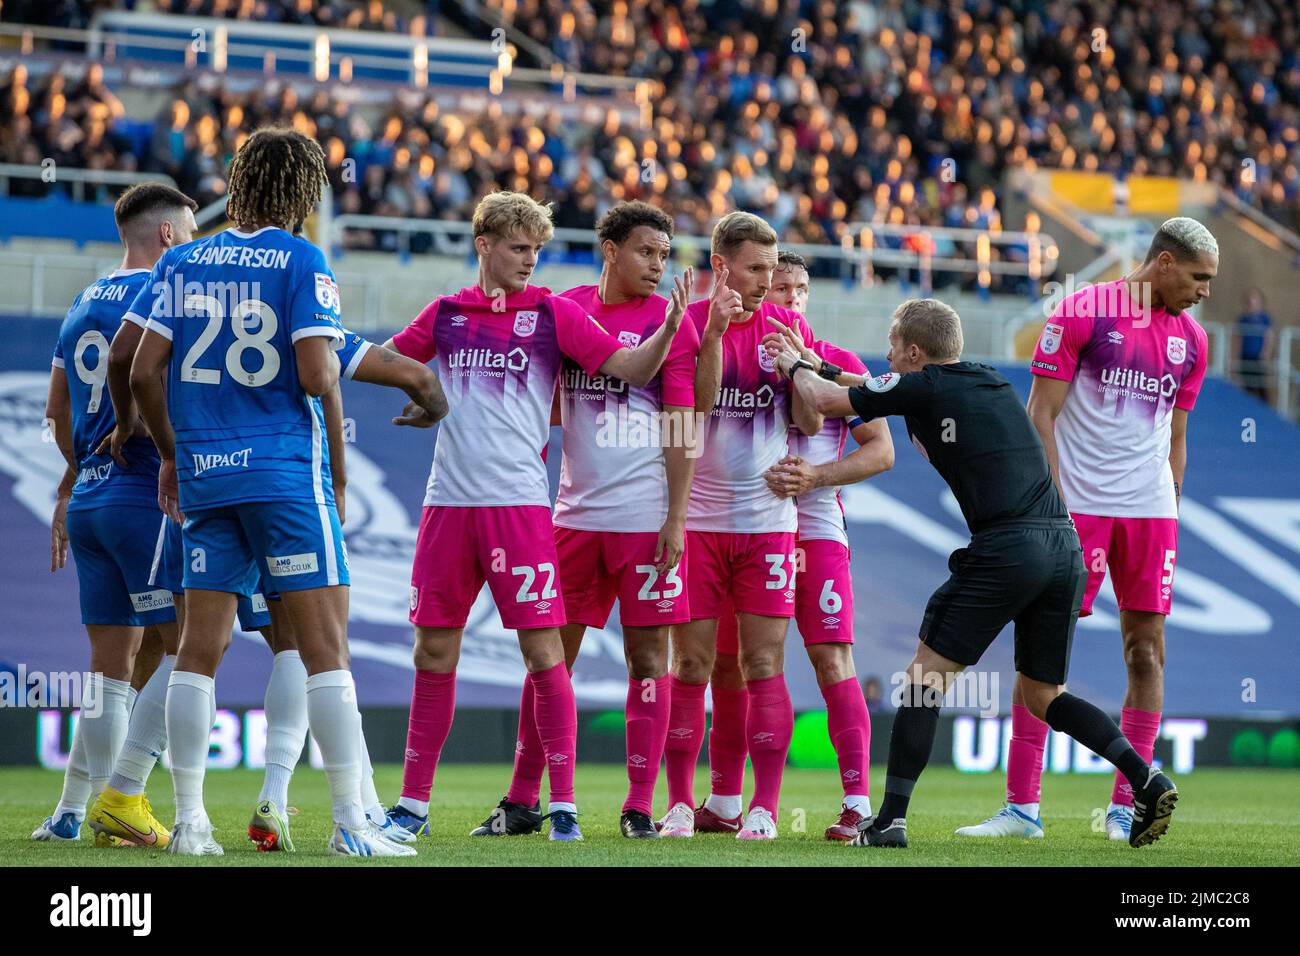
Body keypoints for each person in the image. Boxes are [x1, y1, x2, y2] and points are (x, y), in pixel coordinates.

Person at [128, 127, 444, 857]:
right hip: (282, 477)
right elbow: (314, 371)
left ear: (237, 182)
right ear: (304, 190)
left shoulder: (183, 259)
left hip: (206, 477)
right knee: (324, 648)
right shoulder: (302, 259)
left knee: (196, 652)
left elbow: (144, 372)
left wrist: (174, 456)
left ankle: (191, 825)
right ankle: (352, 826)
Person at [765, 298, 1179, 850]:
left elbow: (824, 399)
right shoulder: (988, 381)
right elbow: (868, 386)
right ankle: (1144, 775)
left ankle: (889, 821)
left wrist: (793, 363)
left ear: (915, 352)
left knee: (924, 678)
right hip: (1064, 548)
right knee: (1043, 694)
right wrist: (820, 363)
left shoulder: (924, 385)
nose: (886, 360)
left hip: (1008, 546)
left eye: (893, 350)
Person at [381, 190, 681, 842]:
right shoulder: (448, 314)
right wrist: (423, 392)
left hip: (520, 509)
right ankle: (412, 806)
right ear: (483, 244)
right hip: (446, 506)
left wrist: (670, 328)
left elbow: (629, 369)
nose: (528, 261)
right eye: (518, 248)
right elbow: (391, 359)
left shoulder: (551, 314)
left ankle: (564, 808)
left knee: (546, 654)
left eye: (537, 251)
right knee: (433, 651)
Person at [958, 216, 1213, 842]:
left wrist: (1172, 503)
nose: (1205, 291)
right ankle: (1022, 808)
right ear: (1163, 264)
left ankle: (1128, 806)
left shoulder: (1193, 342)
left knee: (1145, 650)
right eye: (1199, 278)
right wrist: (1051, 501)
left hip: (1150, 512)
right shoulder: (1081, 311)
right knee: (1044, 652)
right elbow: (1038, 413)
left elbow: (1177, 436)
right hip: (1077, 508)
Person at [700, 251, 895, 840]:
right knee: (730, 667)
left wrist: (817, 477)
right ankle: (727, 800)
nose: (789, 297)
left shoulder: (835, 364)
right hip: (748, 529)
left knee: (831, 658)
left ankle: (858, 801)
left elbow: (881, 450)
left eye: (799, 288)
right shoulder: (733, 352)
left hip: (813, 532)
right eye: (778, 286)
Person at [31, 182, 197, 846]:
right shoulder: (167, 295)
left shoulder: (81, 302)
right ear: (165, 236)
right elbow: (151, 378)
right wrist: (158, 451)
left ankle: (75, 810)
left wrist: (76, 479)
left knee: (111, 665)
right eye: (187, 231)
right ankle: (137, 801)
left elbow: (56, 411)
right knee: (190, 647)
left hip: (94, 497)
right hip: (146, 496)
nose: (190, 243)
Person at [658, 212, 823, 841]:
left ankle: (763, 807)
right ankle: (679, 804)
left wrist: (797, 367)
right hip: (697, 525)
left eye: (772, 267)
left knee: (762, 664)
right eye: (756, 268)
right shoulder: (688, 326)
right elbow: (692, 415)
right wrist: (715, 336)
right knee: (693, 666)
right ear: (722, 267)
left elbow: (808, 425)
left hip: (766, 526)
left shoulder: (789, 328)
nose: (768, 280)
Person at [1234, 287, 1273, 403]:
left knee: (1261, 386)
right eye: (1250, 299)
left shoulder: (1264, 319)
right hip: (1245, 357)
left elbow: (1269, 337)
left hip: (1258, 358)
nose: (1252, 301)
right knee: (1247, 387)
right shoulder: (1242, 319)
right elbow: (1238, 339)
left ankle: (1265, 411)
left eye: (1254, 298)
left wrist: (1266, 354)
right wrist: (1236, 358)